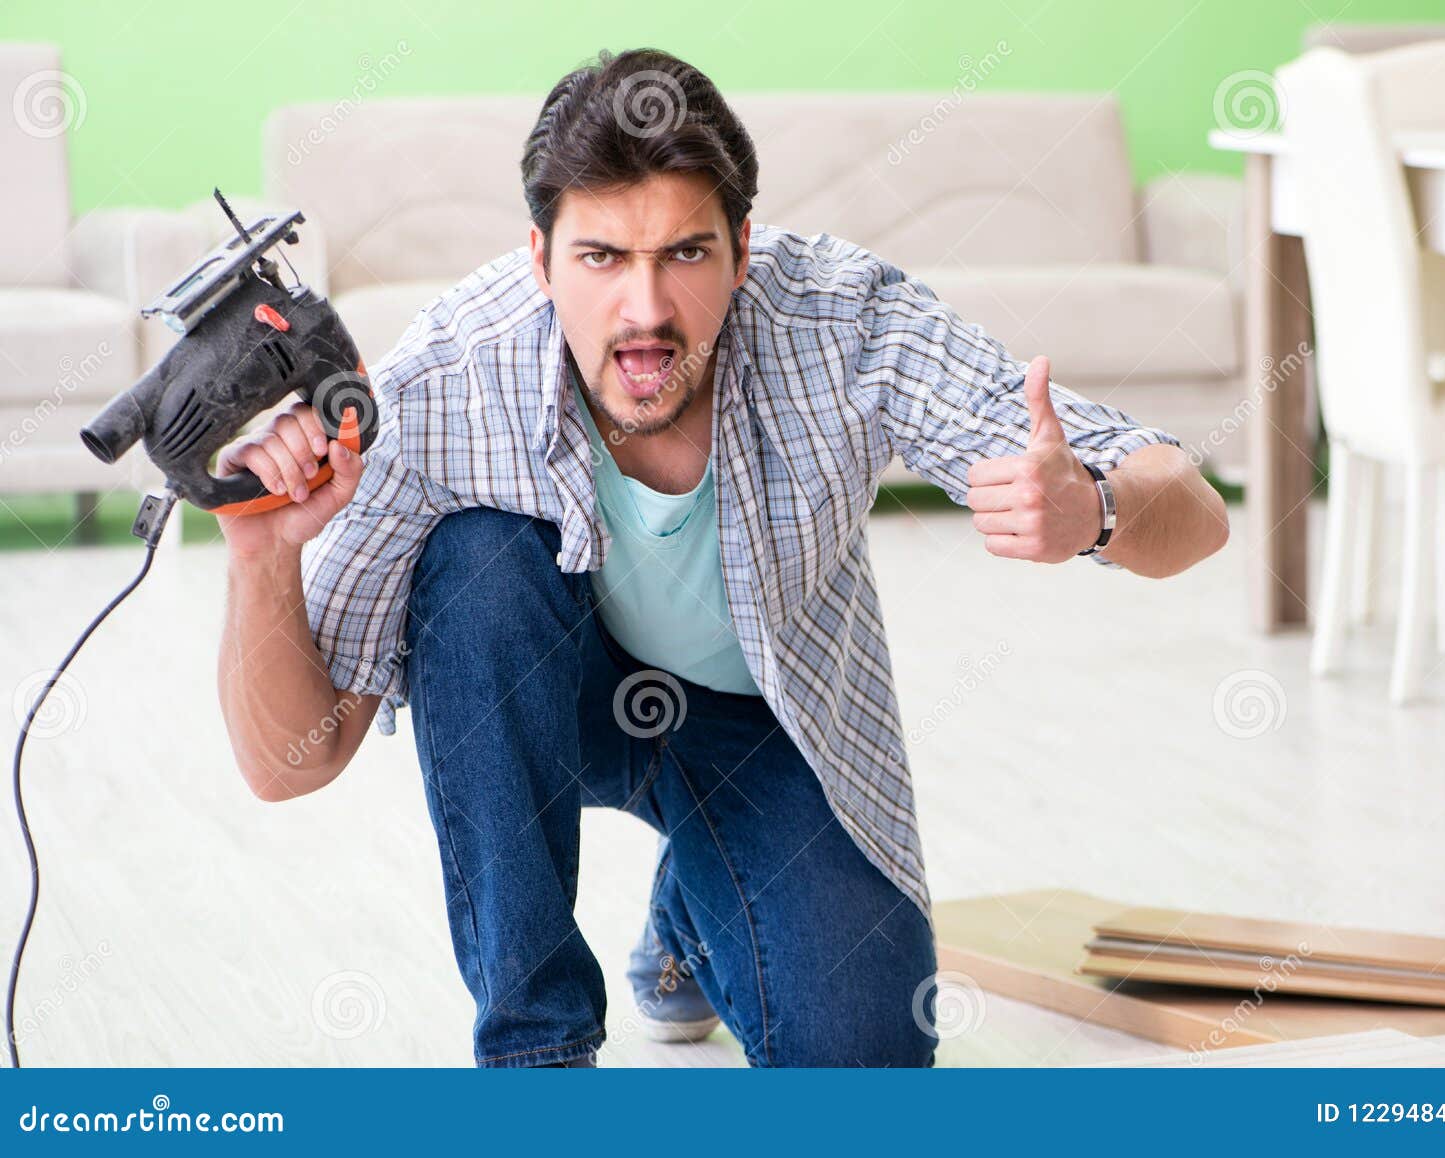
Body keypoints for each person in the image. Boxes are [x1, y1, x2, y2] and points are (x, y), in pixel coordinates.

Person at [214, 47, 1229, 1068]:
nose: (646, 311)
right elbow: (289, 763)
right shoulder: (448, 380)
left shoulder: (845, 325)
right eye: (602, 258)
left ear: (743, 250)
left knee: (864, 1061)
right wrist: (259, 557)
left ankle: (692, 923)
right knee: (477, 563)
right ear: (540, 260)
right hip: (559, 700)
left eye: (685, 254)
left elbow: (1194, 507)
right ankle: (536, 1060)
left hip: (762, 725)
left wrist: (1096, 509)